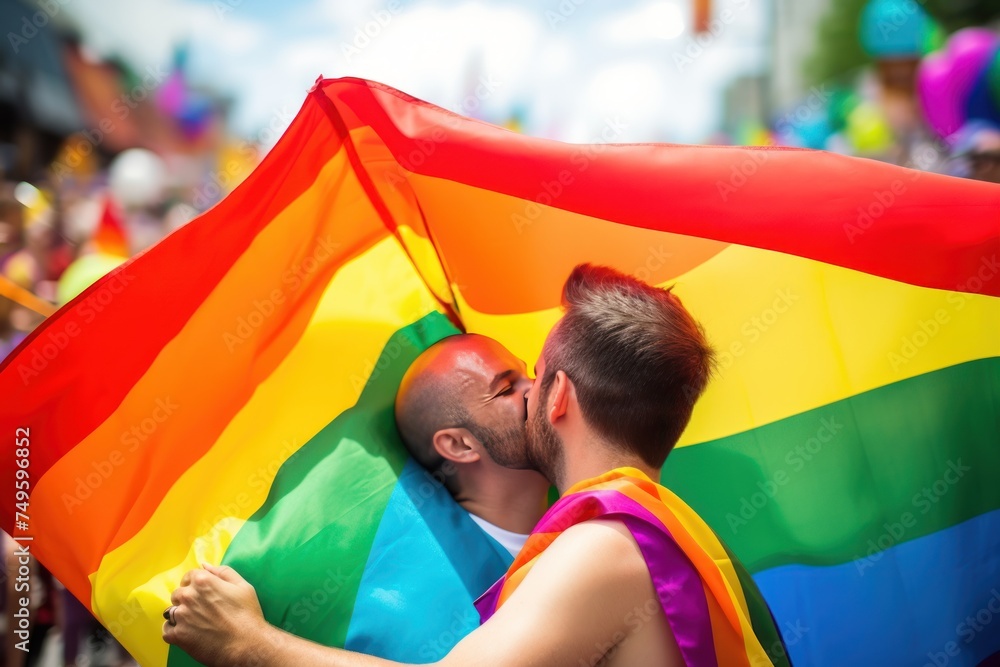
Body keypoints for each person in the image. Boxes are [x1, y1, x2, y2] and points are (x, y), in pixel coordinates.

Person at [163, 264, 788, 666]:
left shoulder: (606, 547)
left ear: (560, 396)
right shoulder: (668, 530)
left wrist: (247, 643)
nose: (527, 392)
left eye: (534, 375)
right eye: (507, 382)